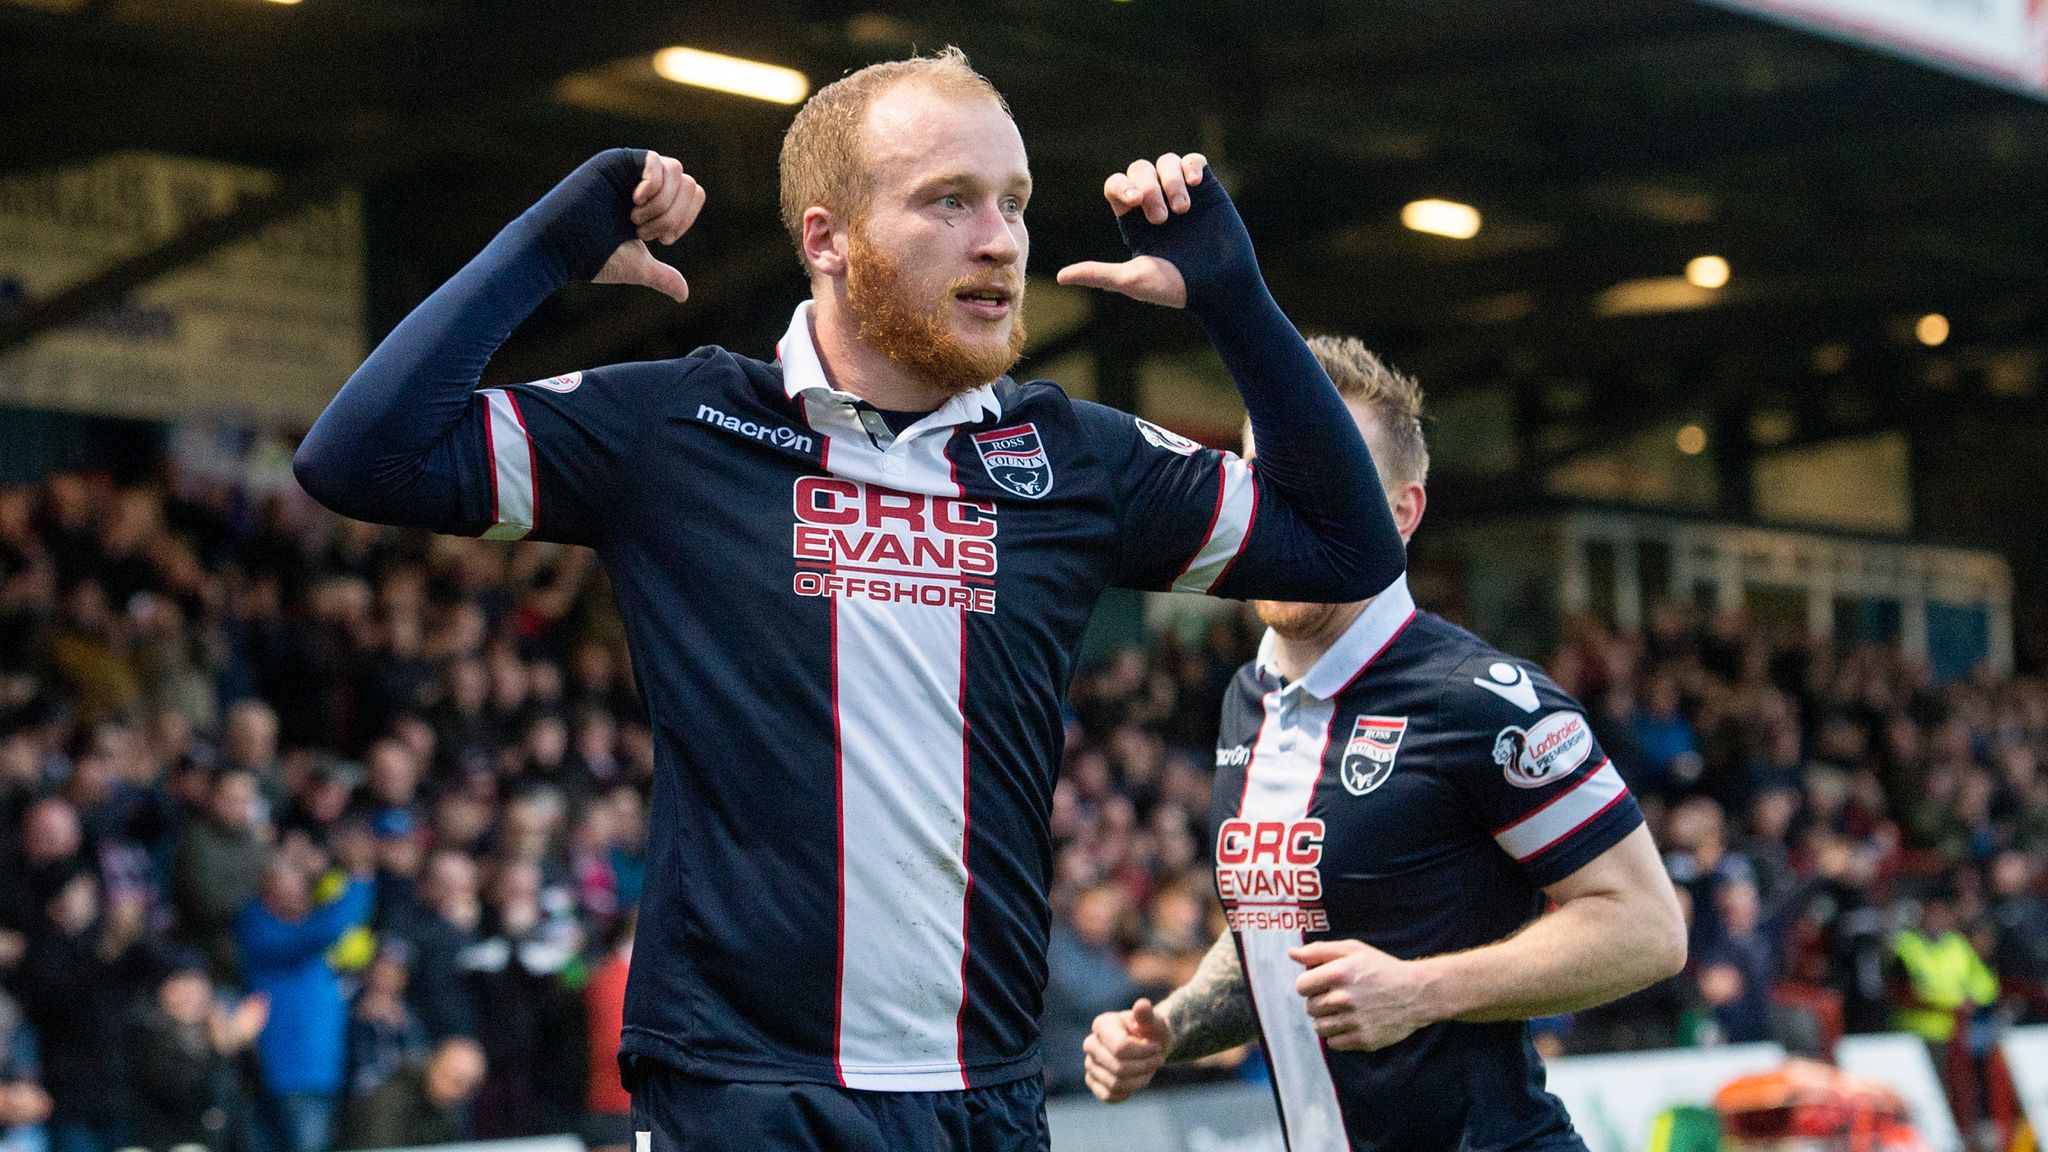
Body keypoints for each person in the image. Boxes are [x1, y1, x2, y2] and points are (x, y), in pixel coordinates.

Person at [292, 46, 1403, 1151]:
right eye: (948, 201)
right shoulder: (680, 432)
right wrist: (547, 246)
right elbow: (359, 458)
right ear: (826, 238)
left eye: (1013, 203)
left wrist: (1235, 303)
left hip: (985, 1095)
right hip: (742, 1095)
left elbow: (1344, 547)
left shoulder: (1071, 461)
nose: (999, 240)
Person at [1081, 337, 1688, 1151]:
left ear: (1402, 514)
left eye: (1329, 484)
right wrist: (1171, 1027)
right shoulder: (1246, 699)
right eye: (1270, 485)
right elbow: (1280, 930)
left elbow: (1648, 927)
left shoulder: (1477, 699)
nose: (1291, 515)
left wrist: (1423, 990)